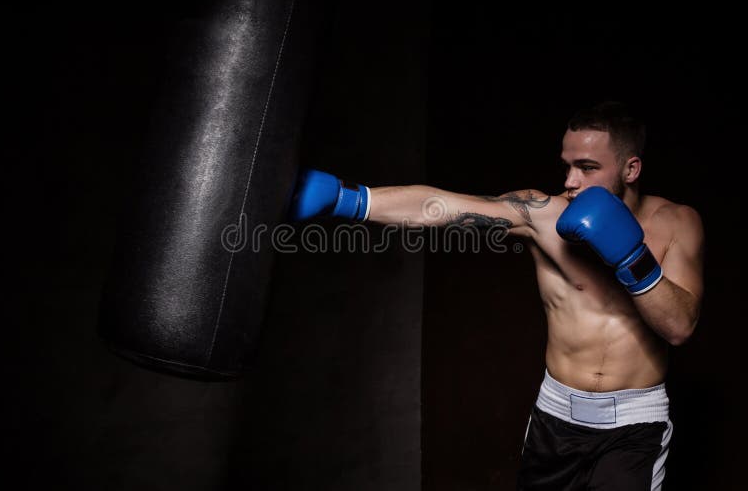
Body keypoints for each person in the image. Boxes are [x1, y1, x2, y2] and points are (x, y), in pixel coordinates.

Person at [288, 101, 704, 490]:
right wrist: (350, 199)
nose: (570, 181)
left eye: (587, 167)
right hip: (556, 416)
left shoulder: (678, 223)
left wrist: (630, 256)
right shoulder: (543, 214)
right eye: (567, 166)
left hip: (634, 426)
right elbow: (443, 207)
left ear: (631, 169)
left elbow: (679, 327)